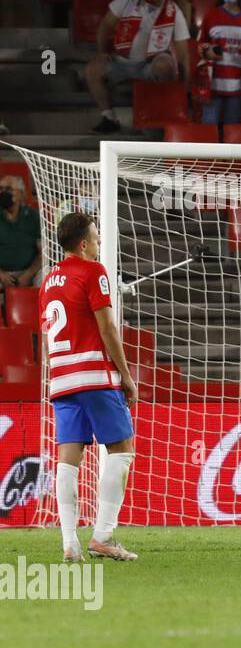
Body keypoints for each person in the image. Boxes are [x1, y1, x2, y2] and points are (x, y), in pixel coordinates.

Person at [39, 211, 140, 562]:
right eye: (96, 238)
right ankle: (103, 536)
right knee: (122, 448)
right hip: (94, 374)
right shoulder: (94, 271)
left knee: (69, 457)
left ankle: (70, 543)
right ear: (83, 244)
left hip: (62, 378)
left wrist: (56, 376)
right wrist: (126, 376)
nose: (98, 244)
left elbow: (45, 338)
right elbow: (108, 328)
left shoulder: (48, 280)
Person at [87, 0, 190, 134]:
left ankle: (159, 117)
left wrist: (186, 87)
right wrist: (101, 52)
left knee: (165, 65)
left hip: (150, 64)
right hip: (122, 60)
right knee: (93, 69)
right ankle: (109, 118)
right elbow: (105, 25)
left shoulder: (174, 12)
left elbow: (183, 53)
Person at [197, 0, 241, 125]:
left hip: (237, 83)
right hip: (212, 84)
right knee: (209, 130)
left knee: (232, 131)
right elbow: (200, 42)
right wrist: (207, 50)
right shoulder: (212, 14)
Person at [0, 175, 41, 288]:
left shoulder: (33, 216)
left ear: (21, 194)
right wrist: (1, 274)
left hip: (29, 271)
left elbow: (43, 252)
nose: (3, 192)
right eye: (1, 189)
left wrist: (28, 275)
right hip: (1, 273)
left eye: (8, 189)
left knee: (46, 276)